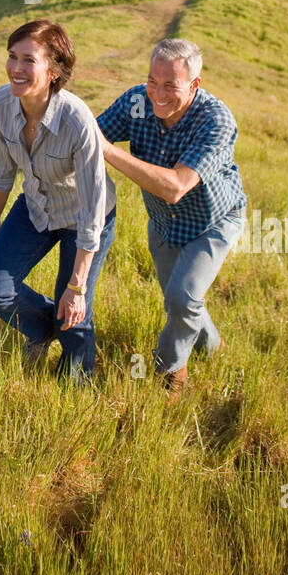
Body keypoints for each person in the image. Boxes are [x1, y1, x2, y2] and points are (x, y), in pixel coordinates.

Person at [97, 37, 246, 400]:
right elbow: (92, 132)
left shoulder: (215, 119)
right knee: (182, 298)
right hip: (163, 223)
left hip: (212, 221)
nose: (157, 94)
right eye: (152, 81)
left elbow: (177, 186)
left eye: (170, 86)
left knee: (181, 298)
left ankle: (169, 371)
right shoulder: (137, 101)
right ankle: (212, 347)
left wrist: (107, 153)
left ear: (195, 85)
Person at [0, 19, 116, 383]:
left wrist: (77, 288)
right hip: (35, 207)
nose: (16, 69)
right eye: (12, 57)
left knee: (73, 313)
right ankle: (40, 330)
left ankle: (78, 387)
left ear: (53, 71)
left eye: (28, 60)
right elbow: (2, 169)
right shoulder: (3, 103)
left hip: (85, 217)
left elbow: (92, 207)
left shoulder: (77, 121)